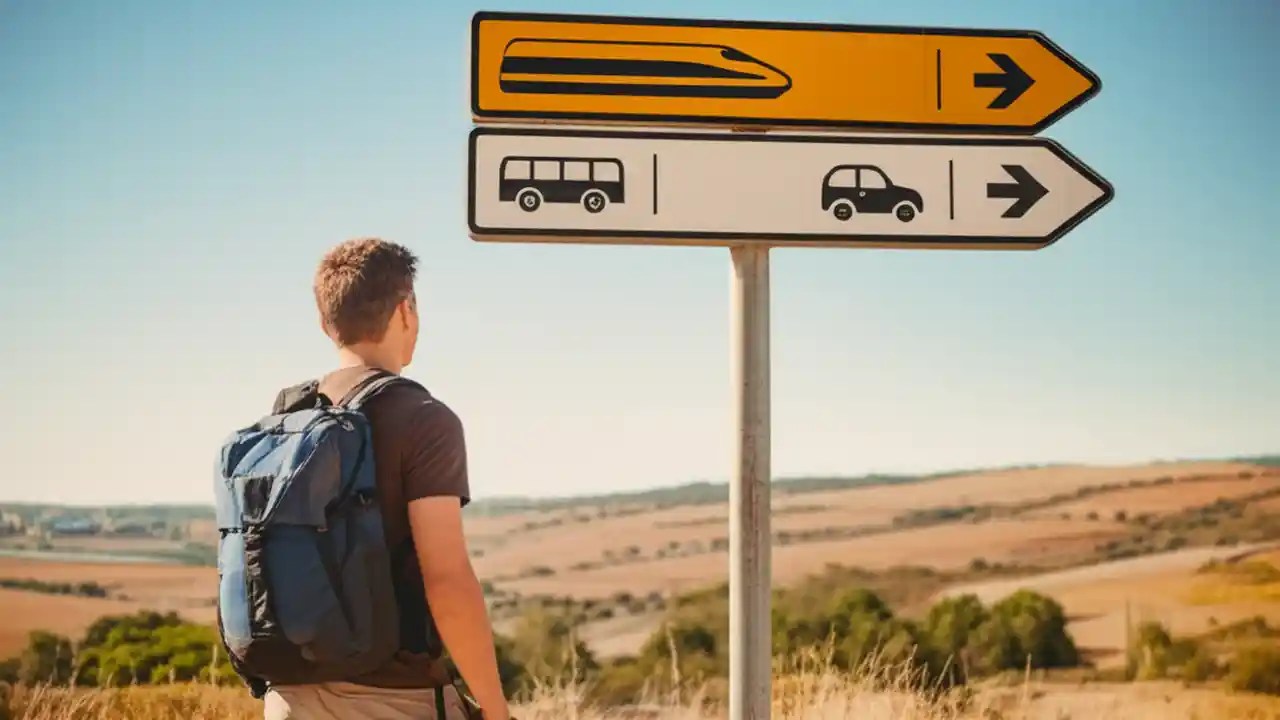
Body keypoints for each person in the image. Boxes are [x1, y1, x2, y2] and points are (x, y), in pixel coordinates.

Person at [263, 238, 510, 720]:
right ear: (405, 311)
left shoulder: (284, 417)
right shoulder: (424, 418)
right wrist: (496, 710)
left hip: (288, 696)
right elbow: (447, 580)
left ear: (324, 323)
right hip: (393, 698)